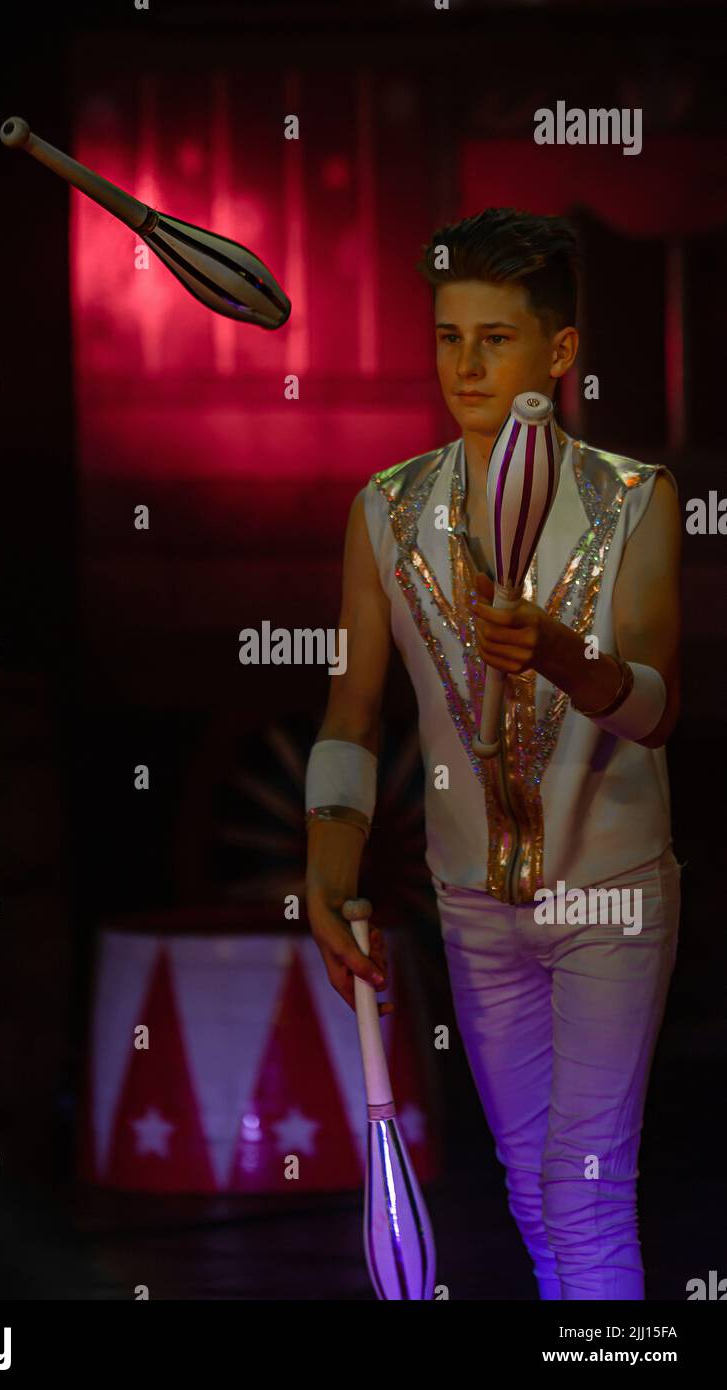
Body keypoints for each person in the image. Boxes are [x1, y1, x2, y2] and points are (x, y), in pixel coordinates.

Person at [304, 207, 682, 1301]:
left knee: (585, 1186)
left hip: (608, 895)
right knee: (530, 1187)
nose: (464, 365)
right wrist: (331, 863)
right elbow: (350, 708)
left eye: (494, 338)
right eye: (446, 336)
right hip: (472, 902)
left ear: (560, 353)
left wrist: (570, 661)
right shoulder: (385, 510)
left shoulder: (632, 500)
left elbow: (658, 709)